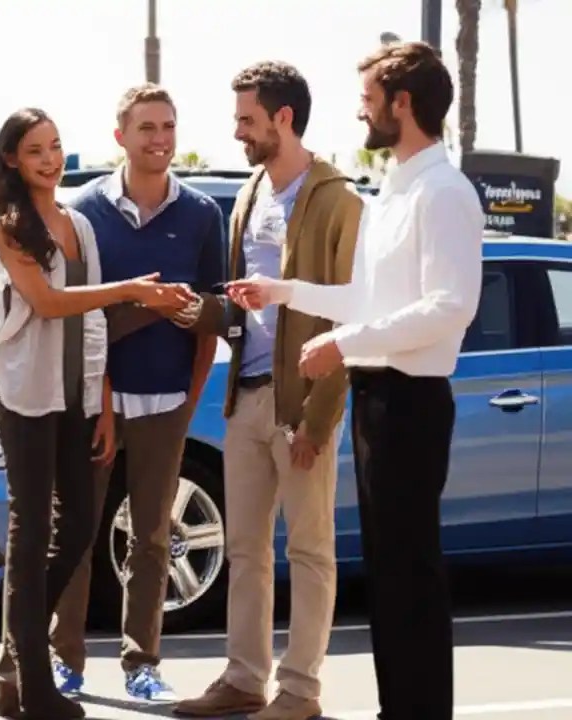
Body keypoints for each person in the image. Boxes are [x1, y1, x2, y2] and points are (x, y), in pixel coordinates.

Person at [226, 42, 483, 720]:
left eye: (369, 99)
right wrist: (283, 291)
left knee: (412, 577)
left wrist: (343, 342)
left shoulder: (445, 192)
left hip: (412, 402)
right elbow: (365, 296)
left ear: (403, 103)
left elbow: (451, 307)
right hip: (376, 401)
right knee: (391, 578)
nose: (361, 111)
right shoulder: (394, 191)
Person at [0, 107, 199, 719]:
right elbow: (49, 303)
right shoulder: (7, 229)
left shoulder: (77, 223)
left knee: (77, 524)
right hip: (22, 394)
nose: (49, 160)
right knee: (32, 534)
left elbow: (91, 323)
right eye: (35, 151)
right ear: (11, 161)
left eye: (54, 147)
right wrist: (133, 290)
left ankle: (14, 669)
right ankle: (31, 684)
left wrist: (100, 404)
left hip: (73, 395)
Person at [172, 62, 361, 720]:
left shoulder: (338, 199)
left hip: (300, 405)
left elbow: (350, 317)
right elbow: (245, 305)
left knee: (309, 551)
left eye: (247, 119)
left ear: (283, 118)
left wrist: (318, 417)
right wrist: (200, 311)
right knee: (246, 549)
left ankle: (301, 692)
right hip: (245, 396)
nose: (237, 132)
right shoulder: (250, 191)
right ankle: (245, 679)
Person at [47, 84, 226, 703]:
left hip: (166, 402)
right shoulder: (82, 212)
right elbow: (71, 315)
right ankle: (64, 660)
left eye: (169, 127)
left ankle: (142, 663)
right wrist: (137, 303)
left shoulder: (203, 214)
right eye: (147, 127)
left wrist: (189, 395)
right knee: (77, 529)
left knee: (153, 537)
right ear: (120, 136)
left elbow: (220, 315)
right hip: (94, 403)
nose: (161, 139)